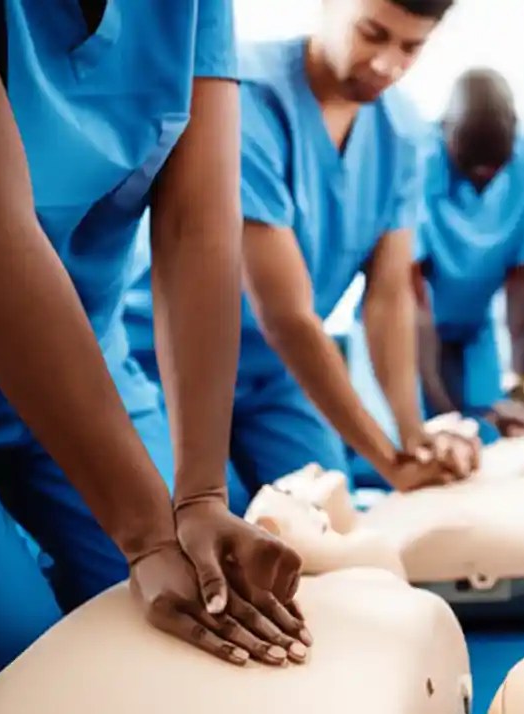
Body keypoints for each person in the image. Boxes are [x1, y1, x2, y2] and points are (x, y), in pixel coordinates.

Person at [0, 0, 308, 687]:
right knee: (21, 656)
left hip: (89, 359)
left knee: (206, 601)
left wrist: (200, 496)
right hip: (6, 316)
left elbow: (197, 225)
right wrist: (147, 533)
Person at [124, 0, 475, 499]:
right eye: (372, 34)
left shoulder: (403, 133)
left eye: (411, 47)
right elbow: (287, 317)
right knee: (206, 535)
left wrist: (411, 436)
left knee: (326, 514)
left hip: (277, 377)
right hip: (165, 365)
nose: (387, 64)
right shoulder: (240, 99)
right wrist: (389, 463)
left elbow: (388, 298)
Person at [413, 68, 524, 439]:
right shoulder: (416, 158)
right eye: (470, 168)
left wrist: (520, 387)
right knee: (415, 442)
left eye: (494, 169)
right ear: (444, 129)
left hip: (474, 328)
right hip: (404, 326)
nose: (483, 178)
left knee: (498, 433)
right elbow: (409, 290)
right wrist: (448, 413)